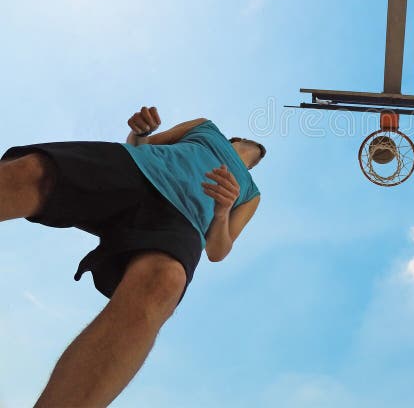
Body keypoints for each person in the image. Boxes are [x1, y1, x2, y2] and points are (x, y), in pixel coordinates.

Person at [0, 106, 266, 407]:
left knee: (164, 282)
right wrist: (140, 132)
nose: (254, 152)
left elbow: (218, 251)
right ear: (237, 141)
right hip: (142, 167)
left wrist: (221, 212)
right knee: (33, 173)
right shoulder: (206, 127)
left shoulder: (251, 192)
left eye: (257, 154)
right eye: (252, 147)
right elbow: (140, 145)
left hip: (184, 218)